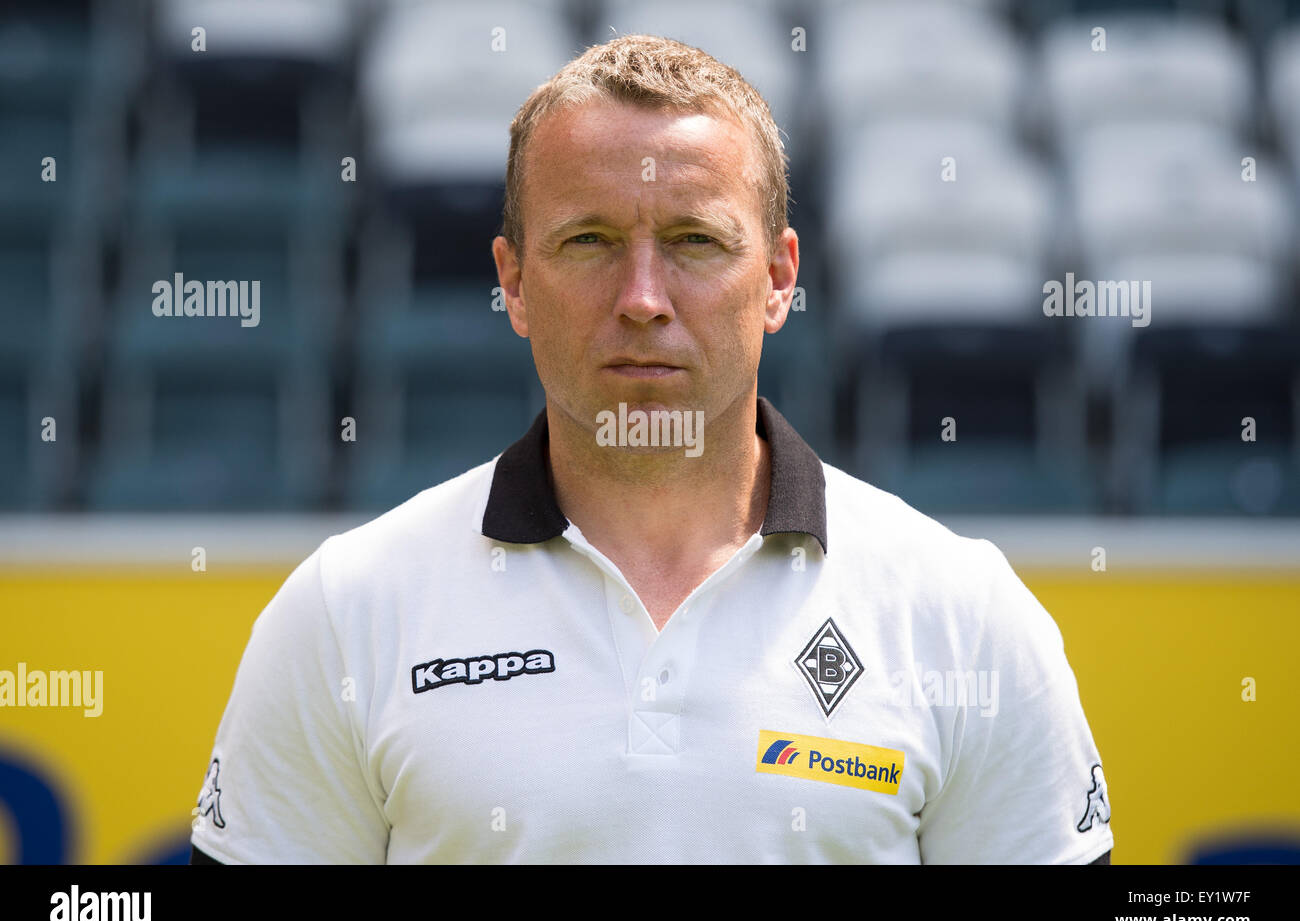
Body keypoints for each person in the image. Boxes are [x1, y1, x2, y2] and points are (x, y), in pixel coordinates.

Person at [190, 34, 1113, 864]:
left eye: (694, 241)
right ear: (512, 282)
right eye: (588, 240)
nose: (642, 297)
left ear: (779, 278)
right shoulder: (348, 609)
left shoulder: (963, 614)